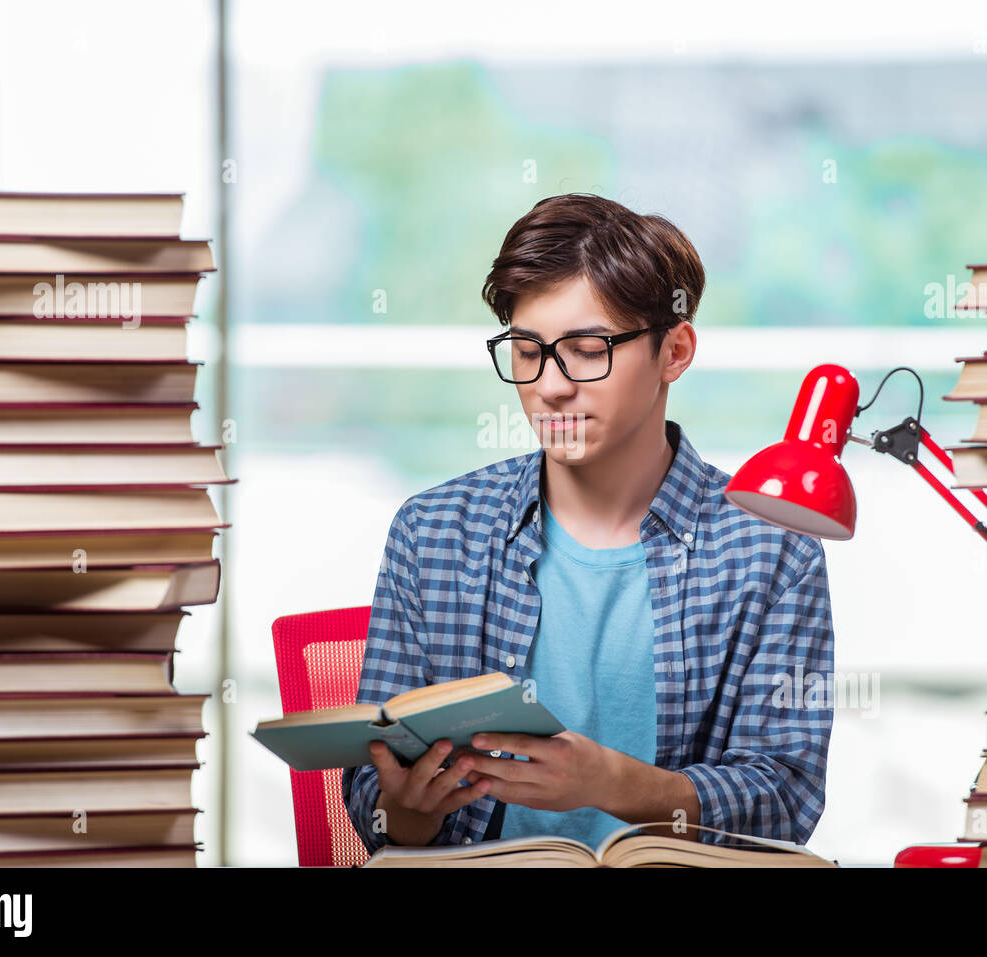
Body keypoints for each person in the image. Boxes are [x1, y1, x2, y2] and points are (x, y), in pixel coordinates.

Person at [342, 192, 835, 852]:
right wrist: (410, 811)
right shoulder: (432, 532)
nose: (549, 385)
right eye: (526, 351)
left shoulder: (771, 546)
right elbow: (374, 805)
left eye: (586, 348)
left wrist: (613, 782)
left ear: (675, 351)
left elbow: (785, 799)